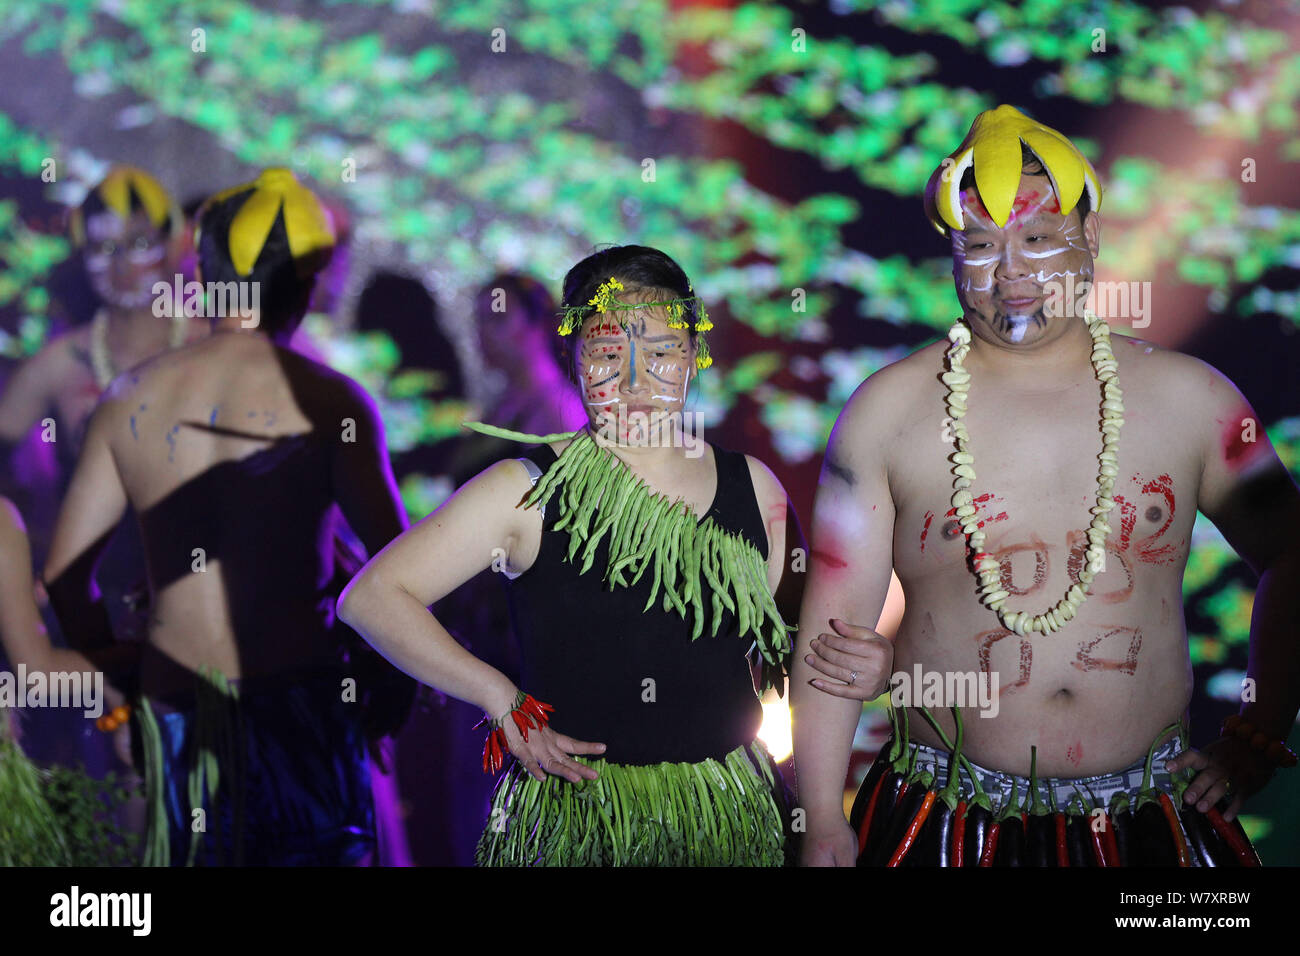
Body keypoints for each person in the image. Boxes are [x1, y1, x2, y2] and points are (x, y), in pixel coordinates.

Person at [794, 104, 1300, 866]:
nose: (1010, 274)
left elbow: (1293, 552)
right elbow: (831, 642)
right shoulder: (885, 414)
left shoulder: (1193, 400)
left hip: (1149, 820)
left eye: (1036, 240)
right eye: (982, 245)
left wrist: (1255, 738)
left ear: (1089, 240)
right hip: (940, 820)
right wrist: (822, 822)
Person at [340, 244, 805, 865]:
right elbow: (371, 598)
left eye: (663, 352)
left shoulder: (755, 486)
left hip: (731, 819)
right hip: (579, 826)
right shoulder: (525, 488)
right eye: (608, 353)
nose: (636, 381)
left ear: (694, 355)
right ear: (572, 358)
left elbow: (806, 644)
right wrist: (495, 694)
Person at [43, 167, 412, 866]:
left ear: (205, 281)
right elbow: (407, 572)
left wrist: (127, 688)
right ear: (304, 287)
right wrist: (388, 690)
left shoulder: (128, 399)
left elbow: (66, 581)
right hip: (301, 707)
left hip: (182, 707)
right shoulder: (331, 401)